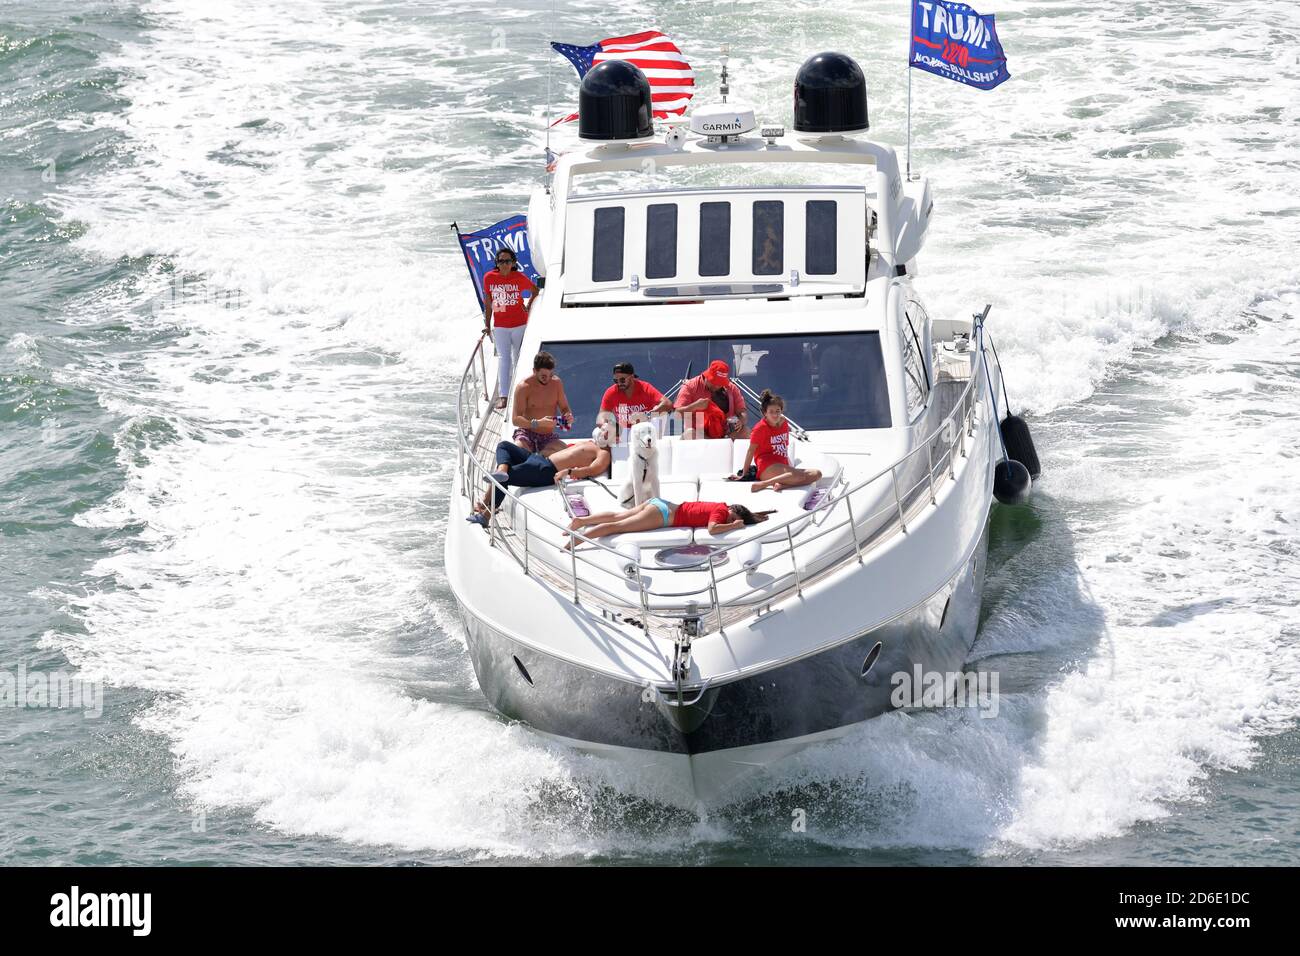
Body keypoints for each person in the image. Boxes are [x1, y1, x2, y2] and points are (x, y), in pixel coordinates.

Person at [469, 426, 612, 526]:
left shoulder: (604, 454)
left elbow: (592, 470)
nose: (603, 432)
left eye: (607, 433)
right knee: (504, 446)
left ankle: (486, 515)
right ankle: (502, 470)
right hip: (539, 459)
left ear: (615, 438)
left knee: (505, 480)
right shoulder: (593, 444)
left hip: (546, 470)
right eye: (603, 430)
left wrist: (568, 472)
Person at [563, 499, 771, 550]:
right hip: (662, 515)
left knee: (618, 516)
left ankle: (581, 521)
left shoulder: (720, 505)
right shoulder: (721, 511)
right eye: (732, 519)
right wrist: (733, 527)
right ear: (734, 513)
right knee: (616, 527)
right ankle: (575, 541)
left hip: (659, 502)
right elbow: (712, 529)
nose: (729, 521)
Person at [730, 389, 822, 493]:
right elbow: (750, 451)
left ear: (781, 411)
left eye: (778, 411)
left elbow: (783, 447)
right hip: (767, 467)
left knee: (817, 474)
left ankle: (782, 485)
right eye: (771, 412)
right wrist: (744, 474)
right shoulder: (760, 428)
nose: (775, 415)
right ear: (765, 413)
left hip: (783, 466)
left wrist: (789, 466)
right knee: (799, 476)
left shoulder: (784, 424)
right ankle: (764, 483)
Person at [483, 248, 537, 410]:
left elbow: (535, 290)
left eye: (507, 261)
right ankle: (504, 396)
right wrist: (487, 324)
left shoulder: (519, 277)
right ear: (497, 264)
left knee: (519, 359)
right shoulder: (489, 278)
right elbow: (488, 302)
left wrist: (528, 305)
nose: (504, 264)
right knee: (504, 359)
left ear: (513, 263)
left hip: (520, 324)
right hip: (500, 326)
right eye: (501, 261)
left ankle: (521, 395)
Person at [511, 351, 572, 455]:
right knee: (518, 452)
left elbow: (564, 408)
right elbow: (515, 420)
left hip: (547, 436)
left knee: (569, 455)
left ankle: (541, 458)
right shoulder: (523, 387)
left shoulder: (556, 383)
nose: (547, 379)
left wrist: (567, 416)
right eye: (544, 376)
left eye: (551, 375)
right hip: (527, 433)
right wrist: (537, 423)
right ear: (534, 371)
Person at [674, 359, 749, 439]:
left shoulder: (732, 388)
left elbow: (742, 412)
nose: (717, 386)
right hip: (700, 437)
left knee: (745, 431)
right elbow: (677, 414)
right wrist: (694, 406)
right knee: (690, 434)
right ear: (707, 375)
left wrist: (740, 421)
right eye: (714, 382)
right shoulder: (690, 386)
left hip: (726, 437)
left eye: (720, 383)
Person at [598, 362, 672, 438]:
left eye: (622, 380)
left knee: (660, 413)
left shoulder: (645, 388)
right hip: (624, 432)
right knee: (598, 432)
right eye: (616, 381)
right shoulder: (611, 392)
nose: (619, 383)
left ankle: (654, 444)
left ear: (632, 376)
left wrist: (646, 416)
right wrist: (605, 426)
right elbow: (601, 416)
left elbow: (668, 404)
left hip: (646, 429)